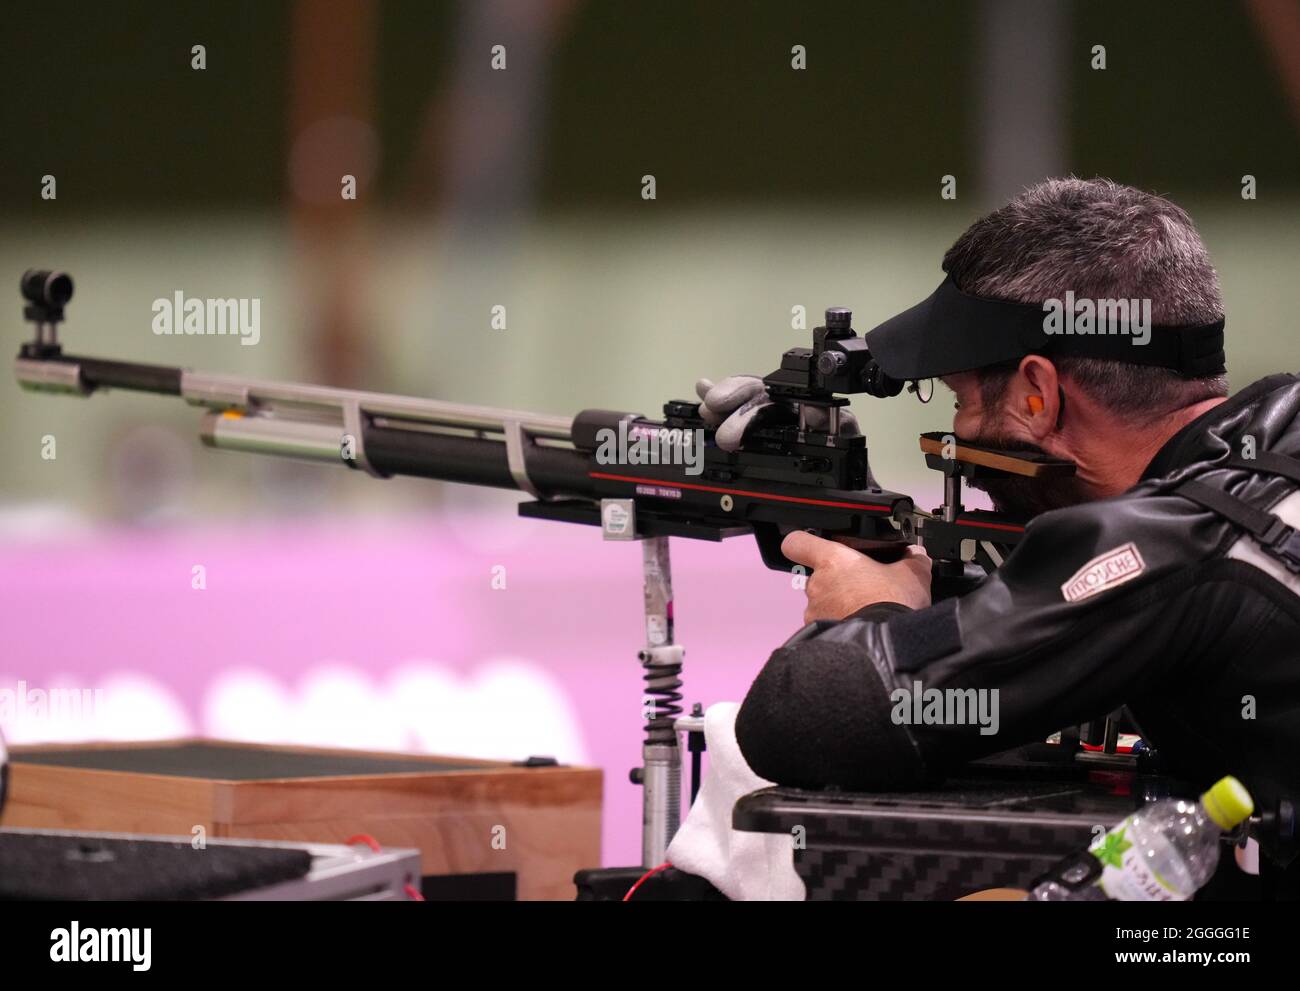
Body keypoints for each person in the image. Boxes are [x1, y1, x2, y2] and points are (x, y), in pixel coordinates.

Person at [699, 178, 1299, 871]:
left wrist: (880, 614)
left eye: (959, 400)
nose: (957, 433)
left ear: (1038, 396)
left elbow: (804, 712)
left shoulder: (1178, 546)